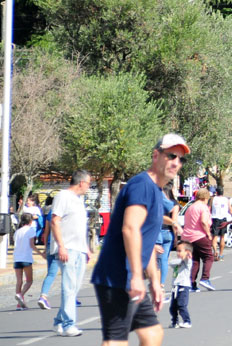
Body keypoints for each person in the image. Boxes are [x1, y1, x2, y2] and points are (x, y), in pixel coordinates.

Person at [91, 133, 189, 345]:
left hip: (130, 277)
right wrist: (137, 276)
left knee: (153, 334)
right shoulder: (141, 184)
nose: (176, 162)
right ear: (156, 155)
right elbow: (130, 228)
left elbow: (148, 243)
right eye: (171, 155)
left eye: (181, 159)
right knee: (116, 341)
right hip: (117, 277)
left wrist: (154, 281)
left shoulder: (156, 191)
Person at [38, 170, 90, 339]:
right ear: (81, 183)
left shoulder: (78, 200)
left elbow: (78, 226)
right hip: (67, 248)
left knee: (74, 288)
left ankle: (59, 322)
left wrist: (87, 248)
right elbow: (55, 220)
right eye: (88, 183)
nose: (89, 187)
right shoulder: (63, 196)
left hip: (79, 248)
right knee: (68, 286)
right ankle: (69, 324)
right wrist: (61, 246)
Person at [182, 188, 215, 291]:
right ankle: (205, 278)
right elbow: (204, 221)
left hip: (187, 236)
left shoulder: (190, 207)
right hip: (199, 235)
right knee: (208, 256)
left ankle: (191, 283)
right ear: (206, 197)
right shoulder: (203, 207)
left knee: (195, 260)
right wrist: (208, 234)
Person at [13, 212, 41, 310]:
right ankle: (21, 295)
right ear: (30, 221)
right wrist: (41, 254)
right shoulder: (31, 230)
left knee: (19, 281)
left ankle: (19, 304)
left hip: (16, 258)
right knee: (29, 281)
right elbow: (32, 245)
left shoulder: (17, 231)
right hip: (26, 258)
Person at [155, 184, 180, 286]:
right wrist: (176, 238)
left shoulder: (157, 201)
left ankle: (157, 281)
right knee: (164, 259)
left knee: (156, 260)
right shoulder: (174, 204)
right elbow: (174, 221)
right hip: (168, 232)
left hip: (156, 232)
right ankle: (162, 283)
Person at [168, 241, 193, 329]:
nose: (178, 253)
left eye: (180, 251)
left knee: (181, 305)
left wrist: (187, 257)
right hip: (175, 287)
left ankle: (187, 321)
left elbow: (187, 260)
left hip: (183, 286)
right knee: (172, 307)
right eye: (177, 251)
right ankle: (175, 322)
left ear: (187, 252)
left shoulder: (187, 263)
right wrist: (181, 259)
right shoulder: (177, 262)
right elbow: (171, 262)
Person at [209, 187, 231, 262]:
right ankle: (221, 254)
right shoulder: (226, 199)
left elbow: (209, 209)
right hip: (223, 219)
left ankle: (215, 252)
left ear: (216, 192)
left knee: (214, 237)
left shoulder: (213, 199)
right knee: (222, 237)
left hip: (215, 219)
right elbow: (231, 211)